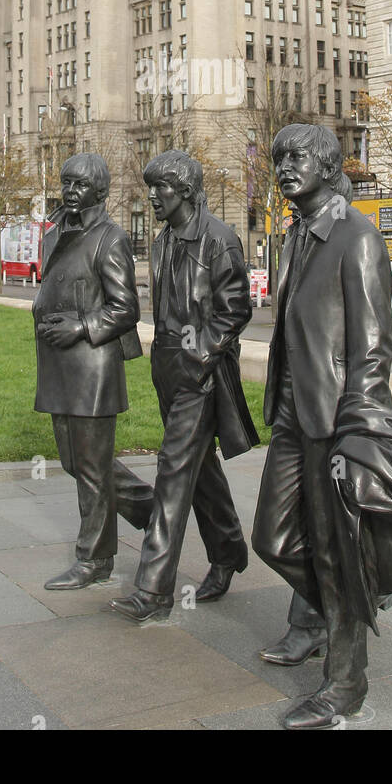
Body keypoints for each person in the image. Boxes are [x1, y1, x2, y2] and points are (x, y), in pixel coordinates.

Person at [252, 123, 392, 730]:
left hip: (334, 418)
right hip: (292, 413)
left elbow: (373, 350)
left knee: (333, 553)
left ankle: (344, 684)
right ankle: (349, 602)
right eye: (278, 159)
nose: (283, 168)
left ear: (330, 167)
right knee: (273, 539)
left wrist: (355, 433)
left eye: (296, 157)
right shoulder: (299, 234)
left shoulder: (356, 236)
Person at [110, 150, 257, 624]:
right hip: (168, 369)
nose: (152, 196)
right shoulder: (161, 241)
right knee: (200, 472)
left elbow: (235, 310)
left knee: (173, 472)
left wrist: (200, 356)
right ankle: (229, 550)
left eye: (162, 188)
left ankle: (153, 590)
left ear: (187, 191)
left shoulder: (220, 240)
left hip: (202, 372)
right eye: (151, 187)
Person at [33, 153, 154, 590]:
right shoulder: (56, 234)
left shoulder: (110, 238)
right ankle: (154, 511)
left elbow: (126, 309)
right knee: (77, 463)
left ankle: (94, 558)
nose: (70, 191)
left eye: (80, 185)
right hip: (59, 365)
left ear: (100, 191)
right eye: (66, 182)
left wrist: (82, 326)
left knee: (90, 467)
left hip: (91, 368)